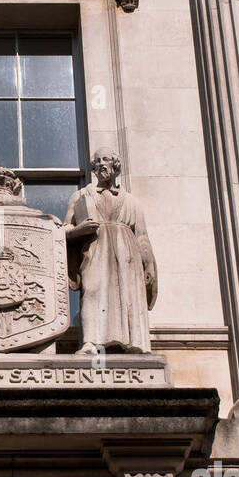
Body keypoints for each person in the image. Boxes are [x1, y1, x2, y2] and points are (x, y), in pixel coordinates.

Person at [64, 147, 157, 354]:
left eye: (106, 160)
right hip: (94, 249)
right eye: (97, 161)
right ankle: (90, 342)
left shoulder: (132, 202)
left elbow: (142, 236)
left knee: (130, 294)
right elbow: (65, 229)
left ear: (116, 165)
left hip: (127, 253)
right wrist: (78, 230)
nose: (101, 164)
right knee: (93, 290)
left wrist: (148, 263)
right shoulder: (80, 196)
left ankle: (135, 343)